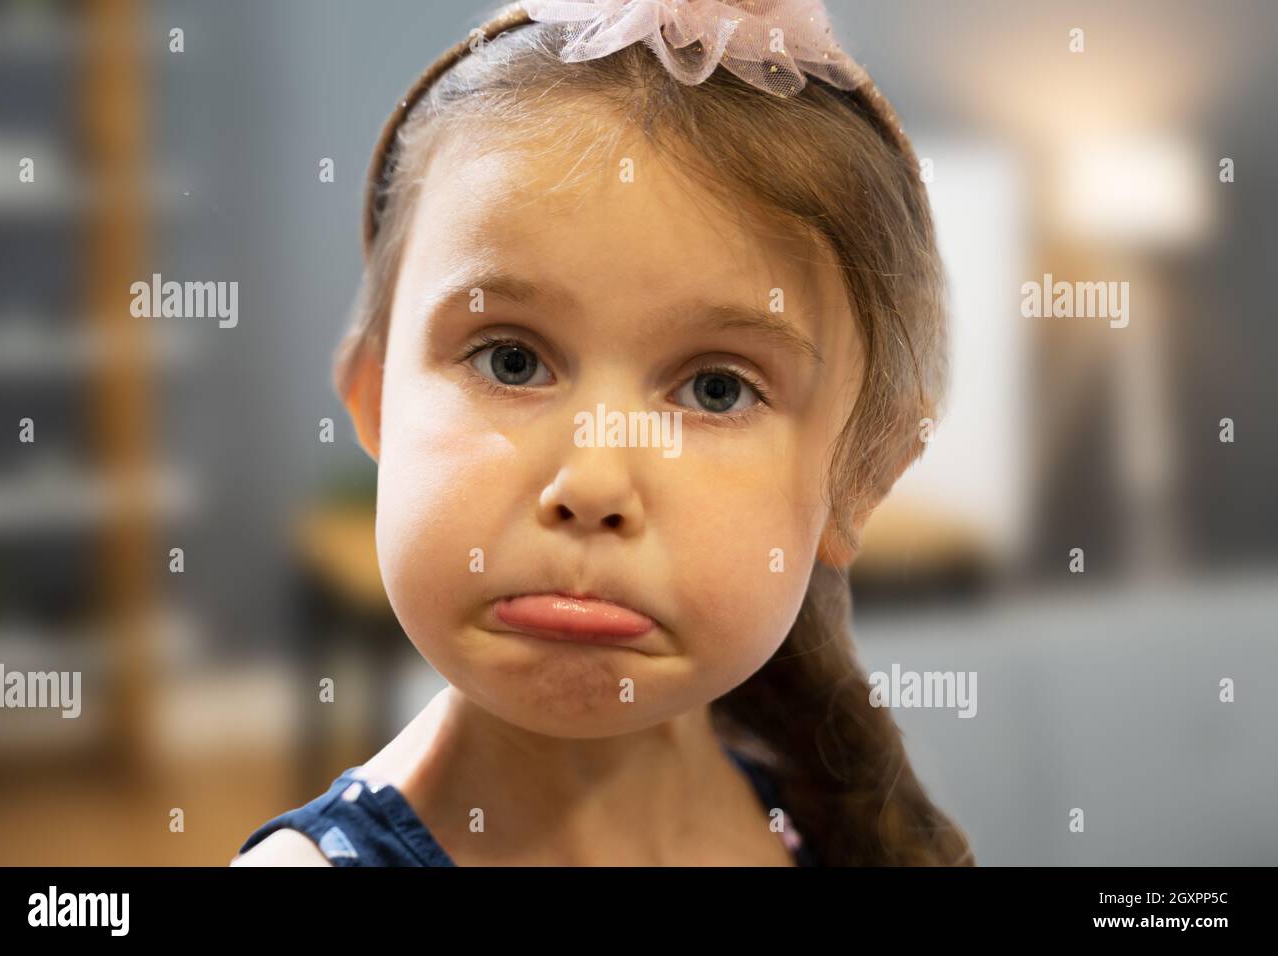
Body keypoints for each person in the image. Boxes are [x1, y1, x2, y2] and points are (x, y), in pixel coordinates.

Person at [232, 0, 973, 866]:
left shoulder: (824, 834)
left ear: (860, 480)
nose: (590, 484)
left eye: (716, 388)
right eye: (510, 360)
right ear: (373, 400)